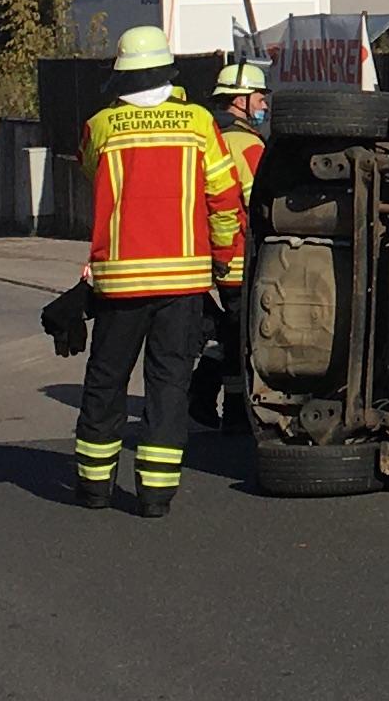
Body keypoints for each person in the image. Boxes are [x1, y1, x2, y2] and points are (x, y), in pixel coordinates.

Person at [75, 27, 244, 521]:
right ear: (169, 71)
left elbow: (93, 175)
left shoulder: (100, 126)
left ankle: (93, 487)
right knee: (168, 384)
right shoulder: (198, 124)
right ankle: (154, 495)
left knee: (106, 379)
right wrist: (223, 256)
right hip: (183, 281)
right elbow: (224, 197)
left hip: (121, 279)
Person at [197, 59, 272, 429]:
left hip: (206, 254)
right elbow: (263, 202)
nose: (264, 105)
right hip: (240, 257)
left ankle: (204, 397)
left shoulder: (206, 138)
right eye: (259, 97)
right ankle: (236, 411)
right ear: (240, 100)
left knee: (228, 333)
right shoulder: (247, 144)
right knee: (243, 340)